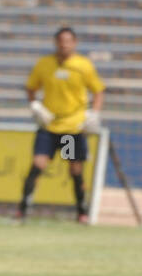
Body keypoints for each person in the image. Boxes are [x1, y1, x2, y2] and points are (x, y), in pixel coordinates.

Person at [17, 26, 105, 223]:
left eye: (68, 41)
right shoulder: (44, 64)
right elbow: (31, 87)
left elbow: (98, 90)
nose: (64, 45)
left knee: (75, 170)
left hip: (71, 129)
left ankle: (81, 212)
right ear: (55, 43)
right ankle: (22, 209)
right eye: (60, 41)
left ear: (74, 43)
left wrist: (94, 113)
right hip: (49, 126)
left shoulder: (83, 65)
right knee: (38, 164)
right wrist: (35, 106)